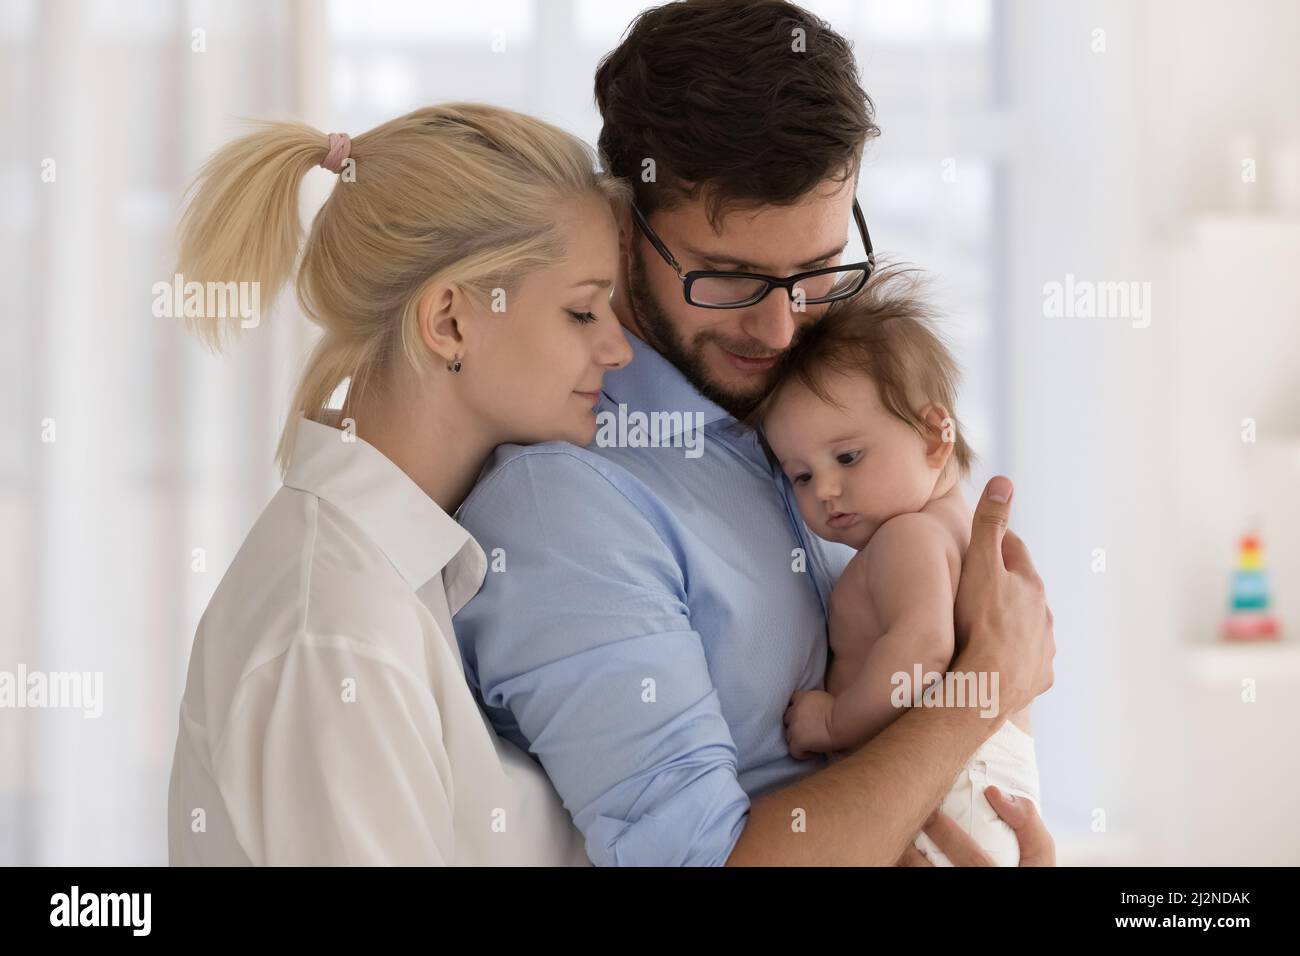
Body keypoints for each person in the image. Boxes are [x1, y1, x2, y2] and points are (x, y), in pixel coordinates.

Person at [453, 0, 1056, 866]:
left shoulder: (849, 404)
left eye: (816, 271)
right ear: (625, 229)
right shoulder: (568, 501)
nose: (780, 332)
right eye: (729, 279)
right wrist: (985, 681)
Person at [166, 103, 633, 865]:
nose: (616, 348)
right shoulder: (336, 634)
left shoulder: (412, 576)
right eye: (583, 311)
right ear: (449, 321)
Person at [752, 270, 1042, 866]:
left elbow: (925, 649)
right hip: (995, 788)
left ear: (936, 437)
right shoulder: (964, 540)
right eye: (800, 475)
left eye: (848, 456)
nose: (825, 489)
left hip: (949, 790)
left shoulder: (907, 537)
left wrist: (834, 722)